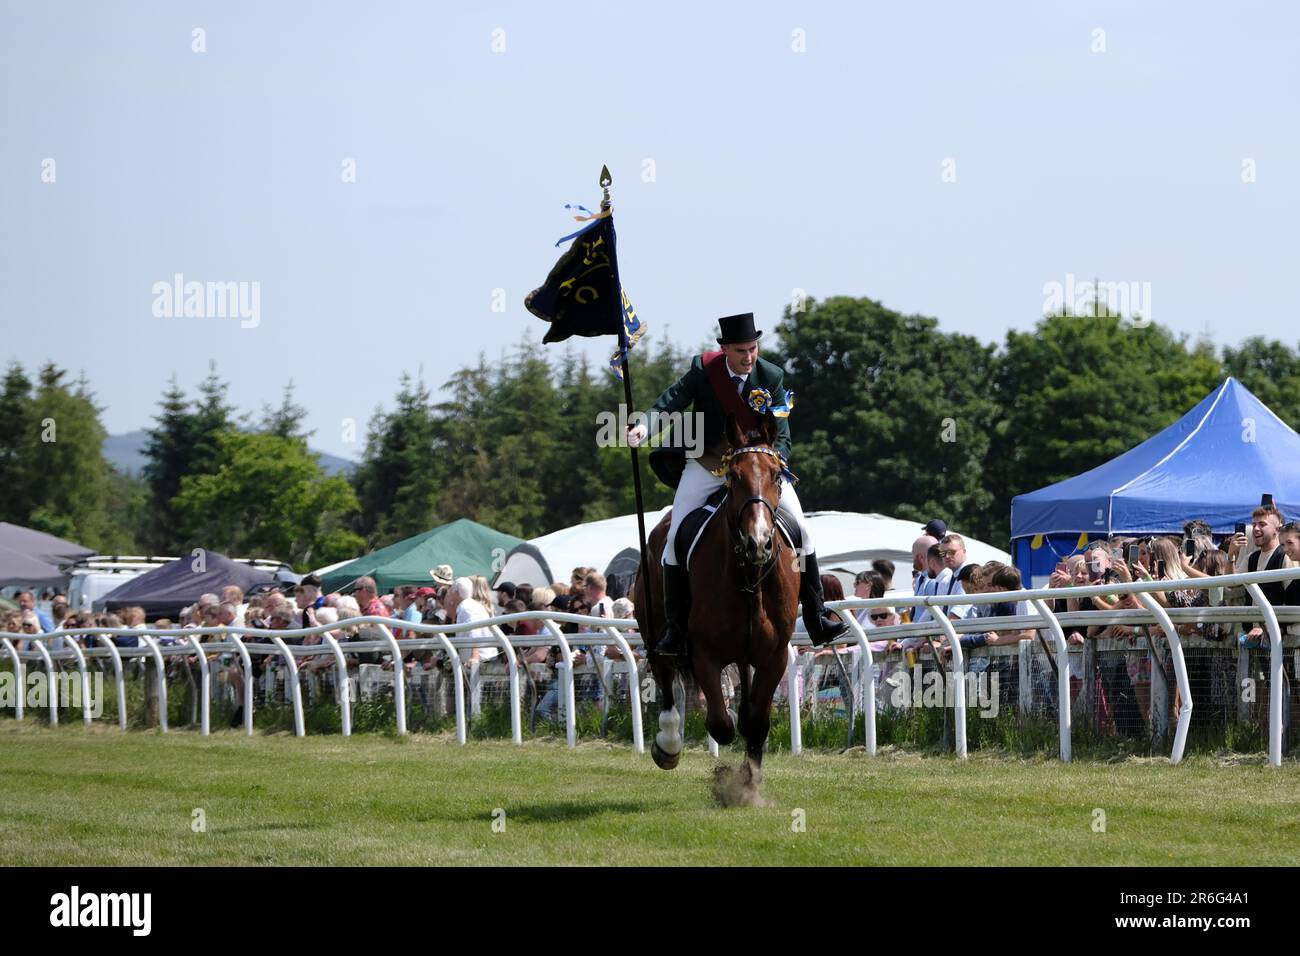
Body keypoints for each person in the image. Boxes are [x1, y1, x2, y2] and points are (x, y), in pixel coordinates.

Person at [626, 311, 848, 656]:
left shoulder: (771, 375)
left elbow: (783, 434)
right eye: (742, 350)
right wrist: (644, 426)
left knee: (803, 530)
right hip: (710, 462)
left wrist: (771, 463)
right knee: (673, 539)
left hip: (758, 467)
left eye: (753, 349)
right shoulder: (704, 371)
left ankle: (818, 615)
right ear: (725, 349)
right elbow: (670, 403)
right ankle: (675, 629)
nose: (749, 357)